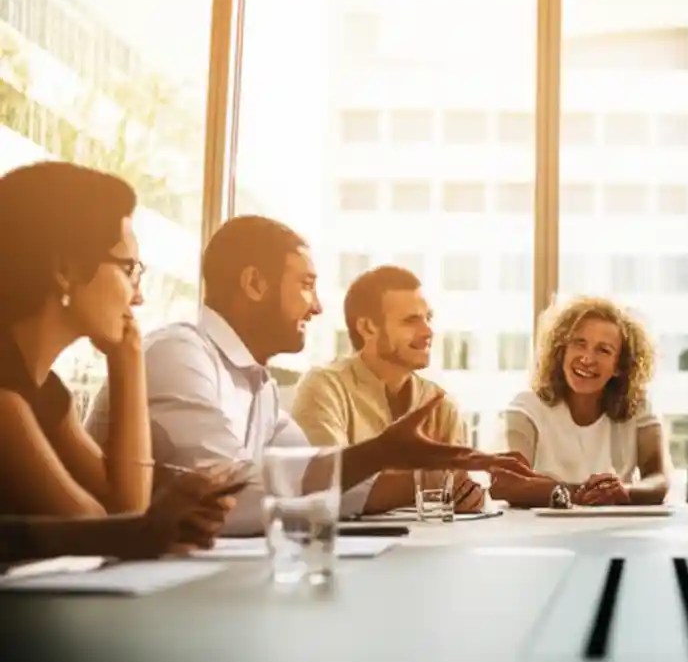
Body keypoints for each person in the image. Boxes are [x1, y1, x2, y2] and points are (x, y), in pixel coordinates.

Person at [86, 216, 533, 535]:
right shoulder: (178, 354)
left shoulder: (259, 387)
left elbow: (320, 480)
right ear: (254, 284)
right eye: (306, 284)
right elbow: (227, 498)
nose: (317, 307)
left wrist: (432, 478)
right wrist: (381, 454)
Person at [0, 162, 152, 517]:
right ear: (65, 270)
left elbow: (127, 506)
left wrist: (128, 358)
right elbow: (96, 530)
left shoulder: (47, 393)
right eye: (128, 270)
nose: (138, 296)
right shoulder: (5, 399)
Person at [292, 266, 483, 512]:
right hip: (347, 538)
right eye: (411, 321)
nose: (428, 332)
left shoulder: (441, 404)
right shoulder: (324, 387)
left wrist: (473, 495)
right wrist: (433, 481)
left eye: (428, 318)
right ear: (367, 328)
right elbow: (324, 487)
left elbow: (457, 489)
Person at [489, 296, 672, 507]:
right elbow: (506, 483)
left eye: (603, 350)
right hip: (543, 527)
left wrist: (624, 492)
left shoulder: (638, 407)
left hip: (614, 526)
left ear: (619, 366)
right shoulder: (526, 408)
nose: (587, 358)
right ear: (562, 350)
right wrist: (583, 494)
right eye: (579, 344)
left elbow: (658, 480)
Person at [1, 469, 239, 565]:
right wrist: (139, 533)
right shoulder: (9, 405)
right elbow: (89, 514)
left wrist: (149, 527)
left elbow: (115, 510)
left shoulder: (51, 397)